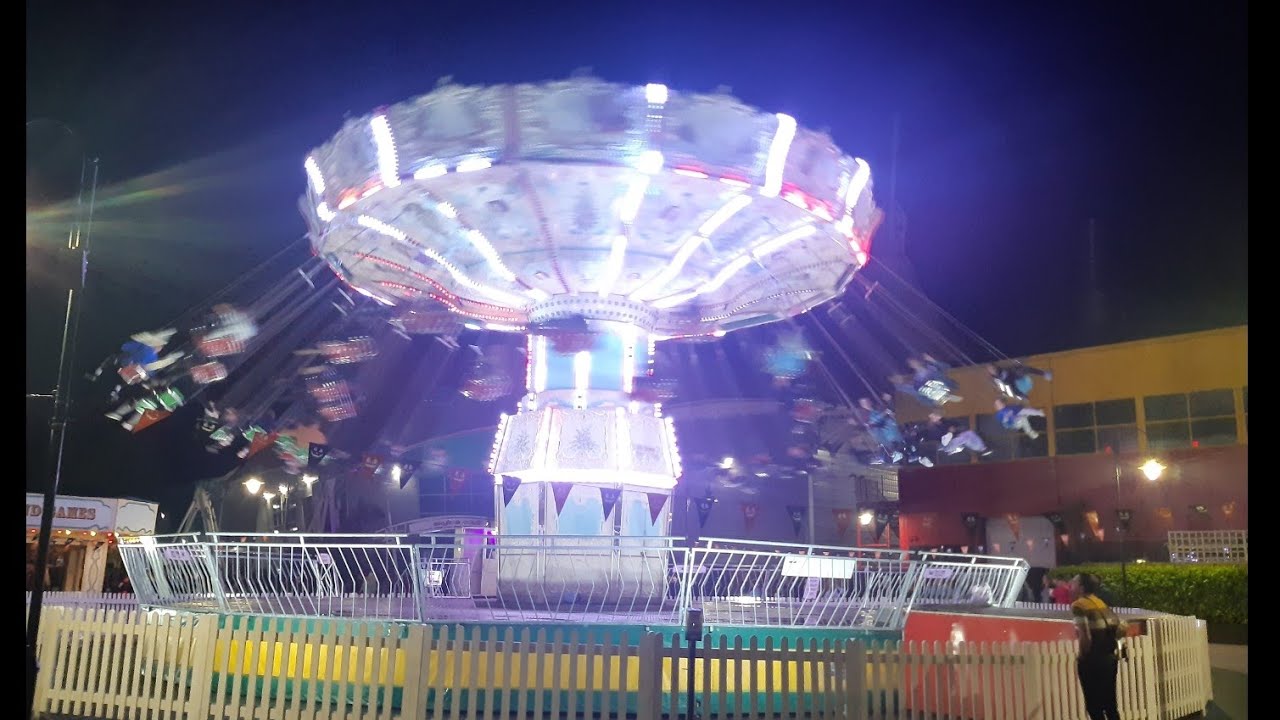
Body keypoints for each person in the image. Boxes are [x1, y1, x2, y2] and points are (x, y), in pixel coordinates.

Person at [1071, 573, 1127, 720]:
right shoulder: (1100, 603)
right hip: (1109, 658)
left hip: (1093, 660)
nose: (1071, 585)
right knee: (1110, 705)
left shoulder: (1079, 605)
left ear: (1081, 587)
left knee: (1094, 706)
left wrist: (1082, 656)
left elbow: (1085, 636)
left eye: (1074, 582)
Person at [859, 395, 905, 465]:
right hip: (884, 433)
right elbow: (870, 423)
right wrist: (884, 414)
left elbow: (890, 414)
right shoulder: (864, 415)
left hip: (892, 429)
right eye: (864, 403)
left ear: (870, 401)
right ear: (862, 405)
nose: (867, 404)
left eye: (867, 401)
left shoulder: (879, 407)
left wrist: (892, 415)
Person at [987, 362, 1053, 401]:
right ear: (990, 372)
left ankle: (1044, 374)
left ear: (995, 366)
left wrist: (1017, 366)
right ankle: (1024, 397)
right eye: (991, 369)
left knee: (1025, 369)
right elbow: (1001, 389)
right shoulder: (995, 380)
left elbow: (1011, 368)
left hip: (1014, 375)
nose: (993, 369)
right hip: (1010, 384)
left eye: (993, 367)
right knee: (1012, 390)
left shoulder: (1002, 369)